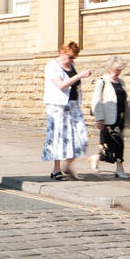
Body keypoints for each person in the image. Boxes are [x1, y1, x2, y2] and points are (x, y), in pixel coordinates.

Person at [42, 40, 92, 180]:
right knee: (58, 138)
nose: (71, 60)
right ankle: (56, 170)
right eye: (69, 57)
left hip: (73, 105)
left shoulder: (72, 65)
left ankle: (68, 165)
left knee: (80, 137)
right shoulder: (52, 66)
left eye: (74, 58)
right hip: (57, 106)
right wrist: (79, 75)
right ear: (61, 53)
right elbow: (61, 85)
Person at [89, 55, 130, 178]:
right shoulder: (102, 82)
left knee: (112, 145)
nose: (119, 72)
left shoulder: (121, 82)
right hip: (108, 119)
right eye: (117, 69)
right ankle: (119, 168)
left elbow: (127, 100)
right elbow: (96, 101)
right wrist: (99, 118)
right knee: (118, 142)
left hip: (120, 117)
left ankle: (96, 157)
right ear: (110, 68)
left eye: (120, 69)